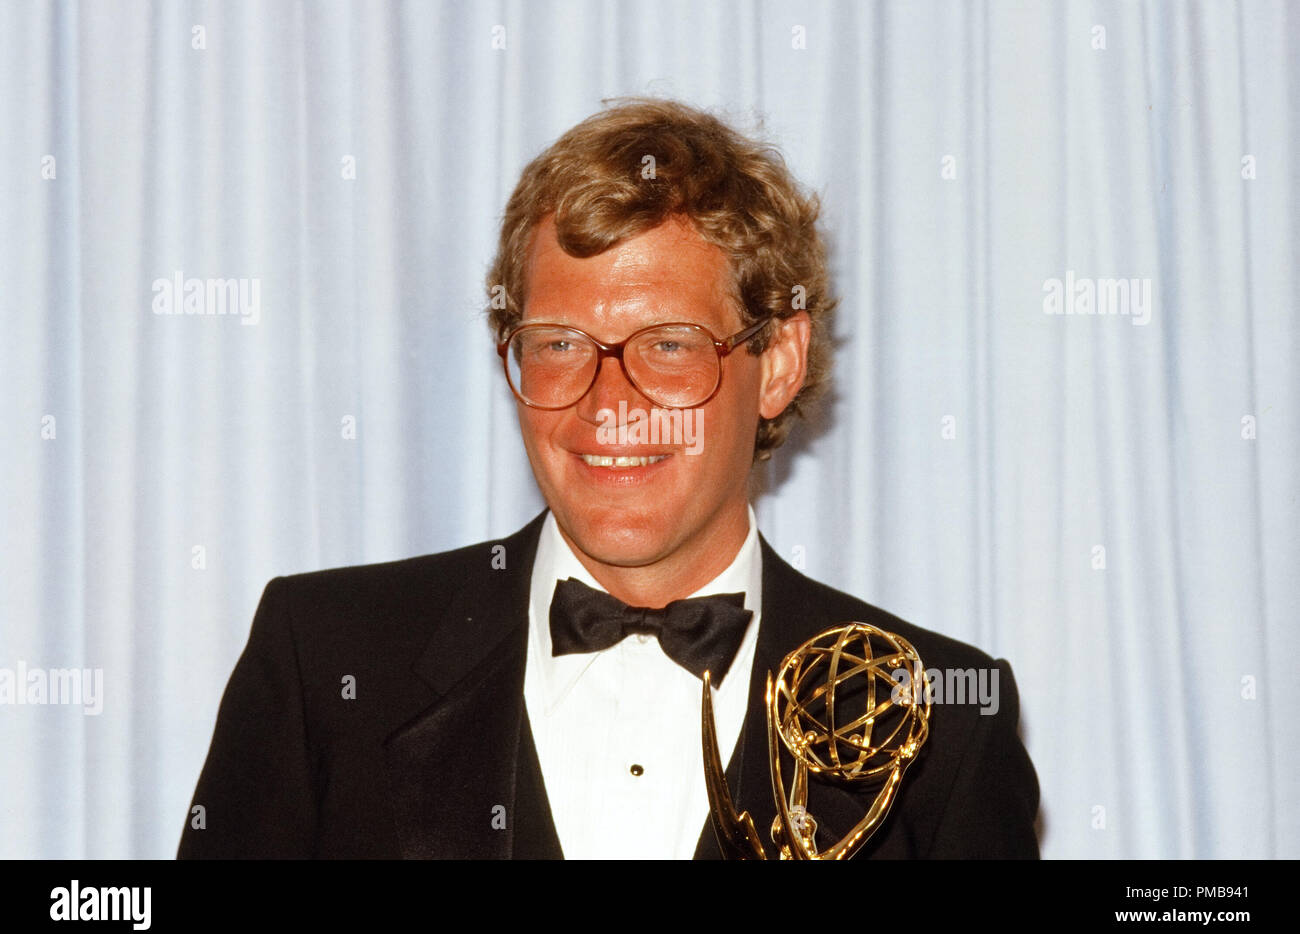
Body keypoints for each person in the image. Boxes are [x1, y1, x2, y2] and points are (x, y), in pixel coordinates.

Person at [178, 98, 1039, 860]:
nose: (607, 404)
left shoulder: (940, 720)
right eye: (559, 345)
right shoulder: (322, 660)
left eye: (668, 346)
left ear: (778, 362)